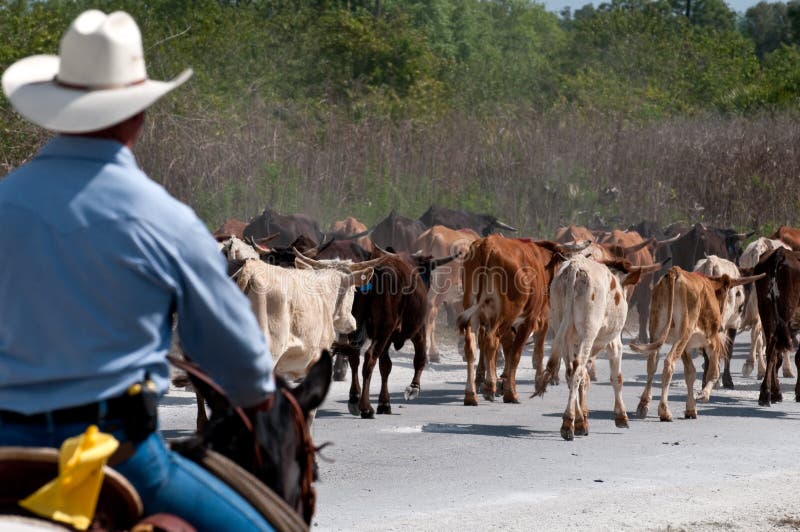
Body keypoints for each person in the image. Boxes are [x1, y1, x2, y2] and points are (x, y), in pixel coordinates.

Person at [0, 9, 276, 531]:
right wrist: (254, 395)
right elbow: (245, 370)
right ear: (139, 113)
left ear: (54, 109)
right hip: (120, 458)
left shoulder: (3, 202)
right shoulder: (166, 220)